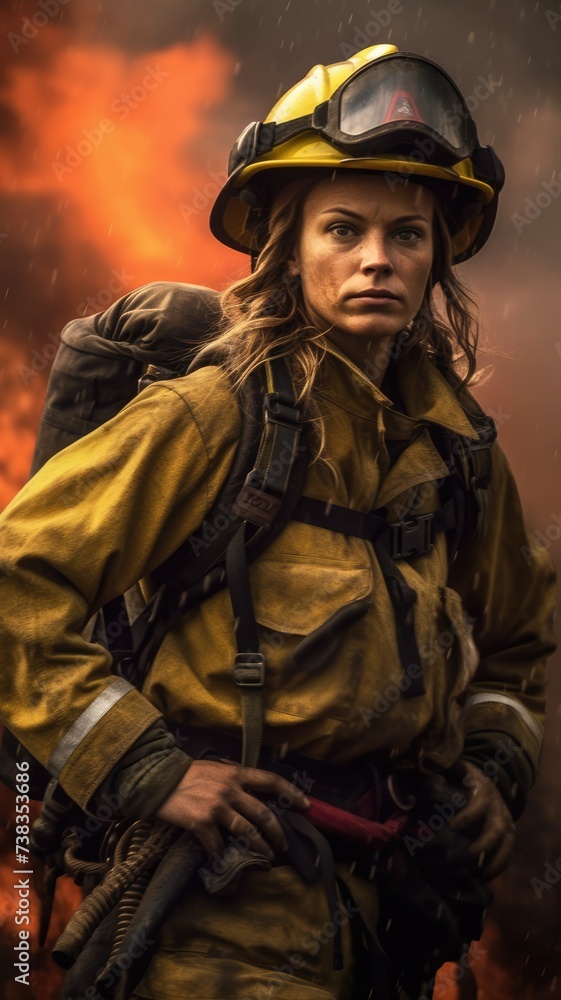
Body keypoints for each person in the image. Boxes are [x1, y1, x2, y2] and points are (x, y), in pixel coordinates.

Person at [0, 42, 556, 1000]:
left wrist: (494, 766)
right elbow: (19, 578)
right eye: (342, 229)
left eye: (407, 235)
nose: (377, 258)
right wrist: (148, 766)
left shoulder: (455, 451)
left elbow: (518, 639)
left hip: (387, 931)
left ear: (439, 256)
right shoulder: (219, 415)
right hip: (215, 927)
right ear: (287, 249)